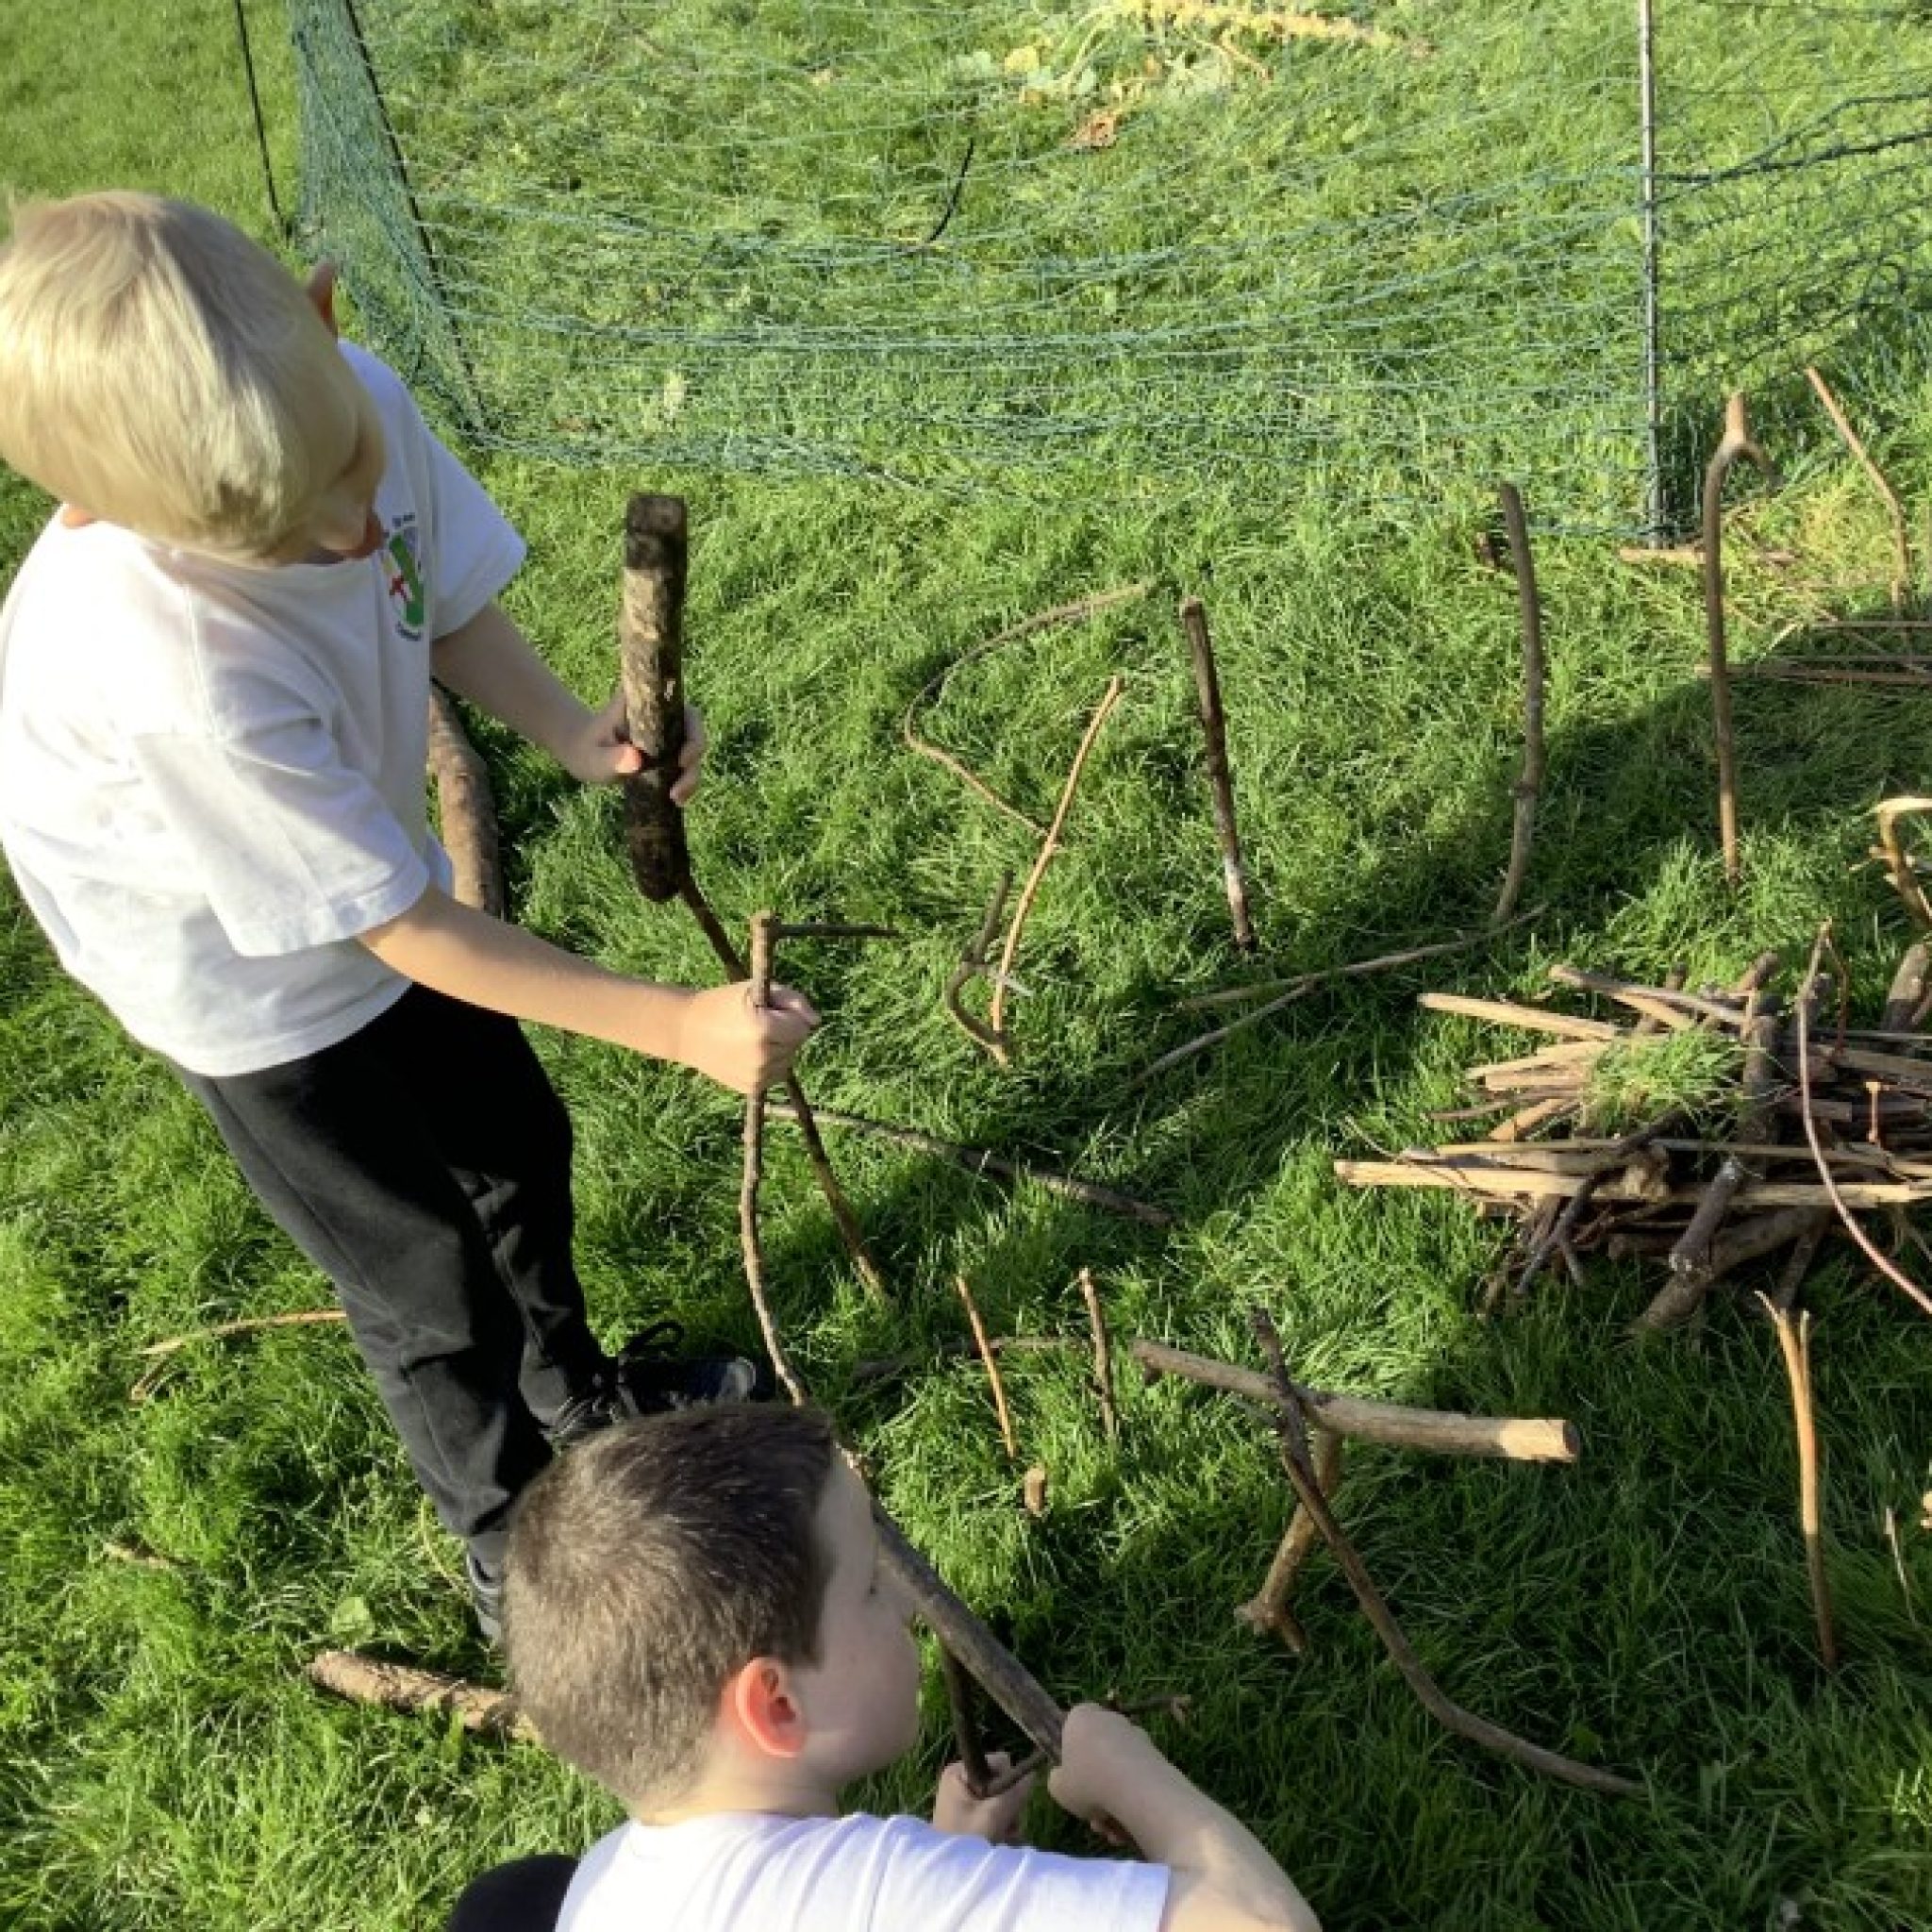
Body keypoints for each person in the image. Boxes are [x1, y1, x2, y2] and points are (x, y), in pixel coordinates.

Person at [0, 192, 820, 1638]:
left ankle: (579, 1393)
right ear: (100, 514)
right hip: (233, 977)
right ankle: (513, 1542)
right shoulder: (173, 669)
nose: (351, 523)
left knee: (517, 1144)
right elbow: (394, 932)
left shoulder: (343, 407)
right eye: (292, 535)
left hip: (352, 861)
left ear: (322, 317)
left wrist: (577, 732)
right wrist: (677, 1026)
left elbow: (428, 597)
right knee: (423, 1281)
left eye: (352, 475)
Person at [503, 1404, 1323, 1931]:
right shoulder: (876, 1888)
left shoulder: (609, 1888)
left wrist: (943, 1858)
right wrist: (1126, 1767)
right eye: (865, 1588)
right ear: (776, 1706)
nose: (902, 1610)